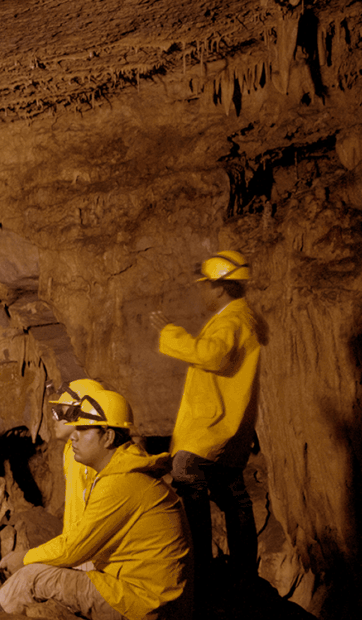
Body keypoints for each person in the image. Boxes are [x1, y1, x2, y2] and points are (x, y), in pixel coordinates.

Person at [0, 380, 193, 620]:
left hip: (143, 601)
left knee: (30, 578)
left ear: (108, 436)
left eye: (83, 430)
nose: (74, 438)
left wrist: (24, 558)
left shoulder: (121, 483)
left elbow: (73, 549)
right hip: (142, 590)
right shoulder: (121, 473)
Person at [148, 250, 262, 583]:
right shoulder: (241, 317)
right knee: (232, 493)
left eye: (204, 285)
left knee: (186, 473)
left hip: (213, 426)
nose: (201, 292)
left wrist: (171, 333)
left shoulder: (232, 320)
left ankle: (200, 566)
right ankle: (242, 570)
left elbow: (212, 355)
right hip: (227, 424)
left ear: (219, 287)